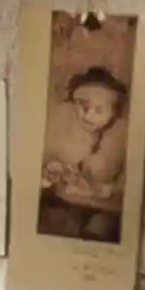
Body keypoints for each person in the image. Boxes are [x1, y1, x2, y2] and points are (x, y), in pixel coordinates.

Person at [39, 66, 129, 242]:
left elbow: (112, 180)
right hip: (64, 202)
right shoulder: (64, 120)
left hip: (104, 209)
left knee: (102, 228)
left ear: (114, 112)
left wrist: (99, 188)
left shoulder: (120, 135)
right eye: (83, 105)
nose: (87, 114)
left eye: (99, 110)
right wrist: (52, 170)